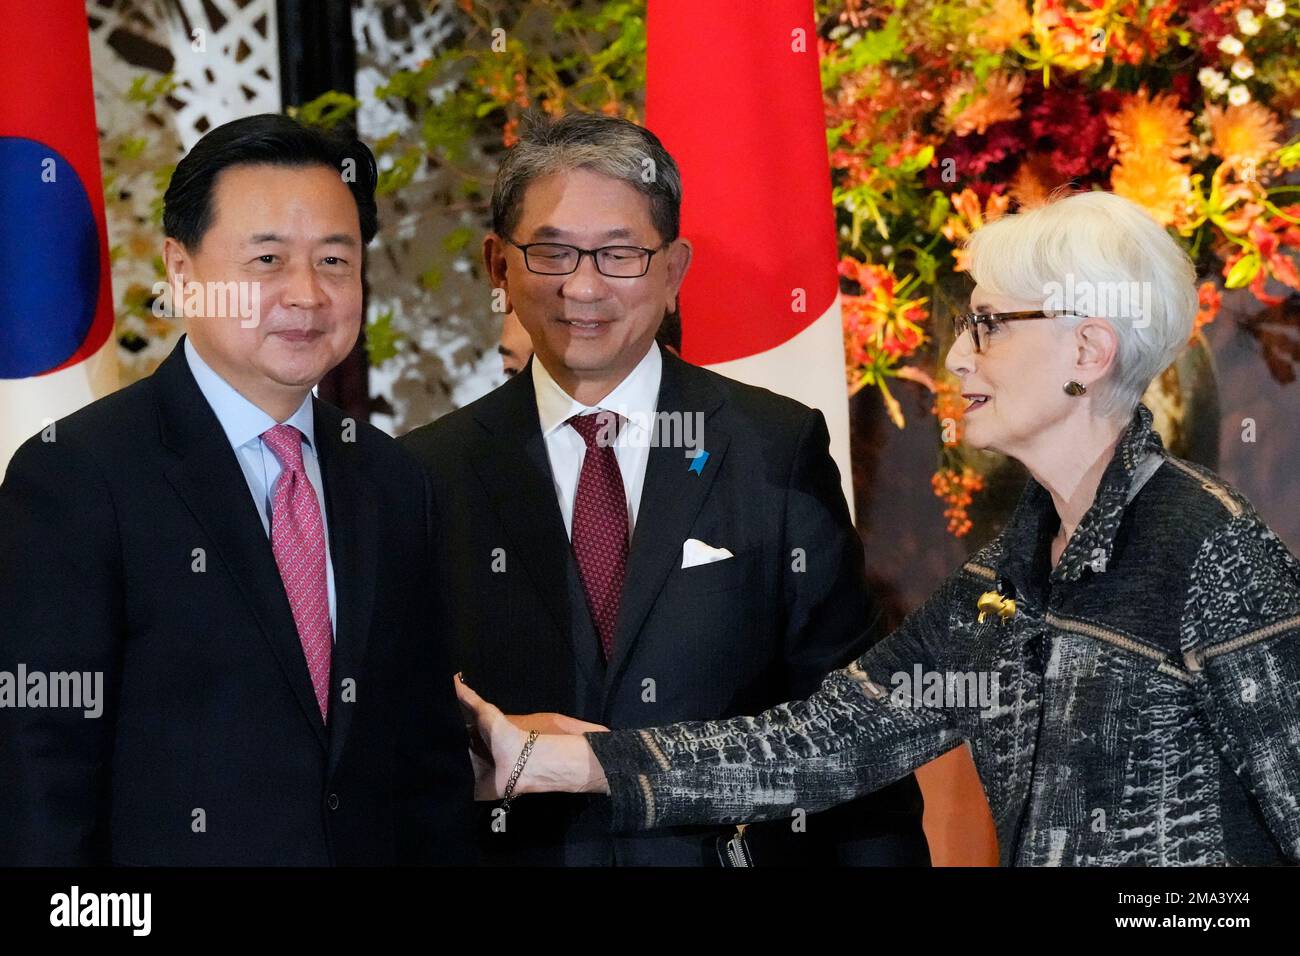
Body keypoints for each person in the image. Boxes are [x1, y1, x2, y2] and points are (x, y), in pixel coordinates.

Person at [458, 190, 1300, 866]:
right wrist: (570, 761)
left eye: (991, 326)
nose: (959, 357)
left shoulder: (1209, 550)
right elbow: (836, 739)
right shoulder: (1007, 579)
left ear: (1089, 350)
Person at [403, 110, 928, 866]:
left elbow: (851, 734)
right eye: (550, 252)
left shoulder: (773, 449)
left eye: (619, 254)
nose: (583, 287)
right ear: (498, 265)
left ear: (674, 269)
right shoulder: (424, 474)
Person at [0, 114, 474, 866]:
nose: (306, 294)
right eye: (266, 260)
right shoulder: (78, 476)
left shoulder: (394, 479)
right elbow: (38, 772)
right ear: (181, 272)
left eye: (334, 261)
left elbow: (426, 763)